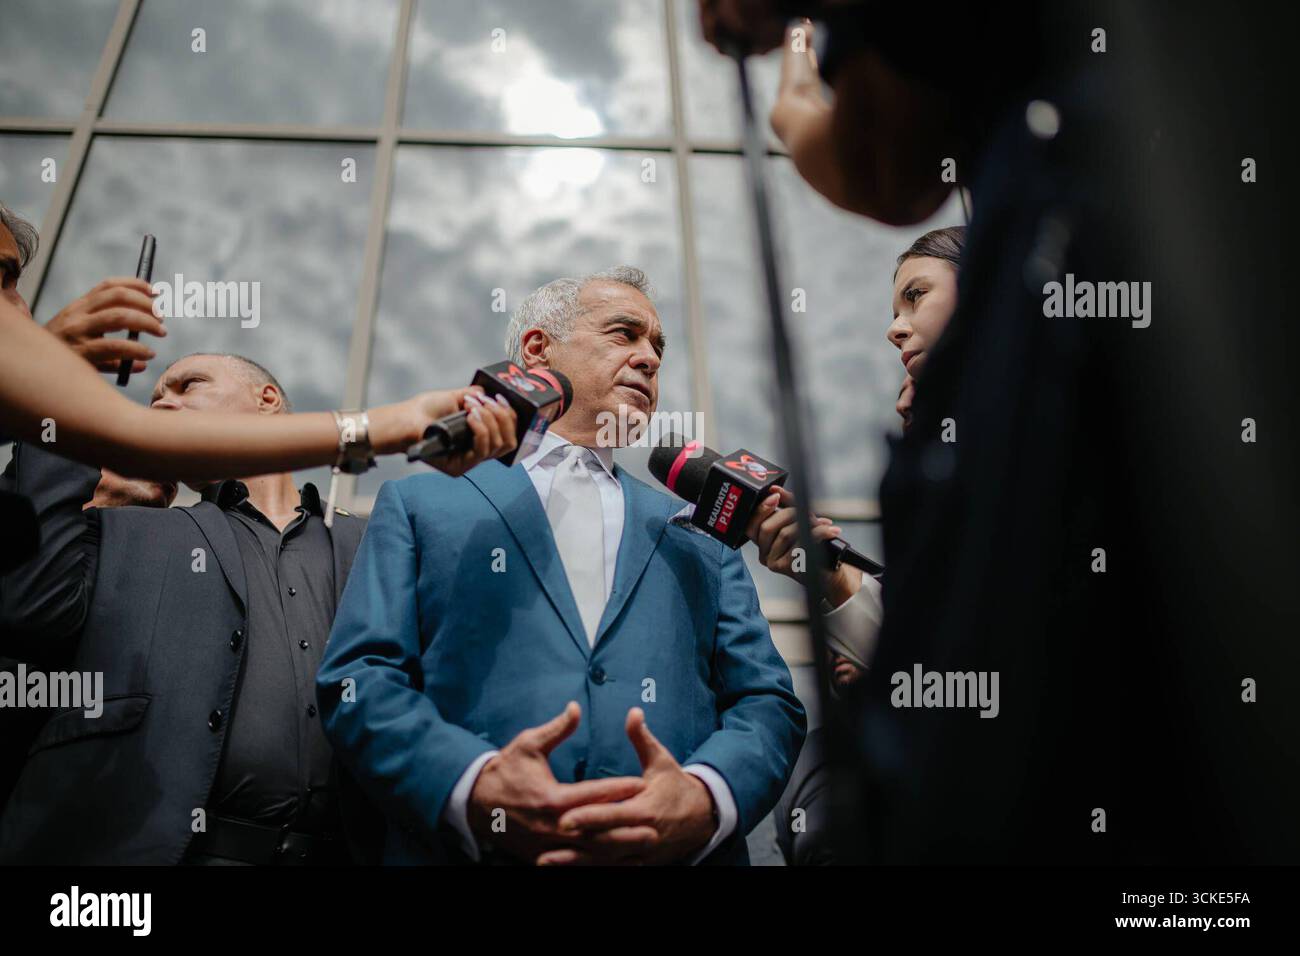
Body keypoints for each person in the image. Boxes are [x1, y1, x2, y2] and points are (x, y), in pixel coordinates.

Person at [318, 266, 806, 865]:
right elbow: (359, 679)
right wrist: (472, 786)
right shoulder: (419, 504)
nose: (649, 358)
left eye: (658, 347)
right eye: (624, 334)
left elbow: (767, 701)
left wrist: (706, 797)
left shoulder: (699, 533)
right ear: (537, 349)